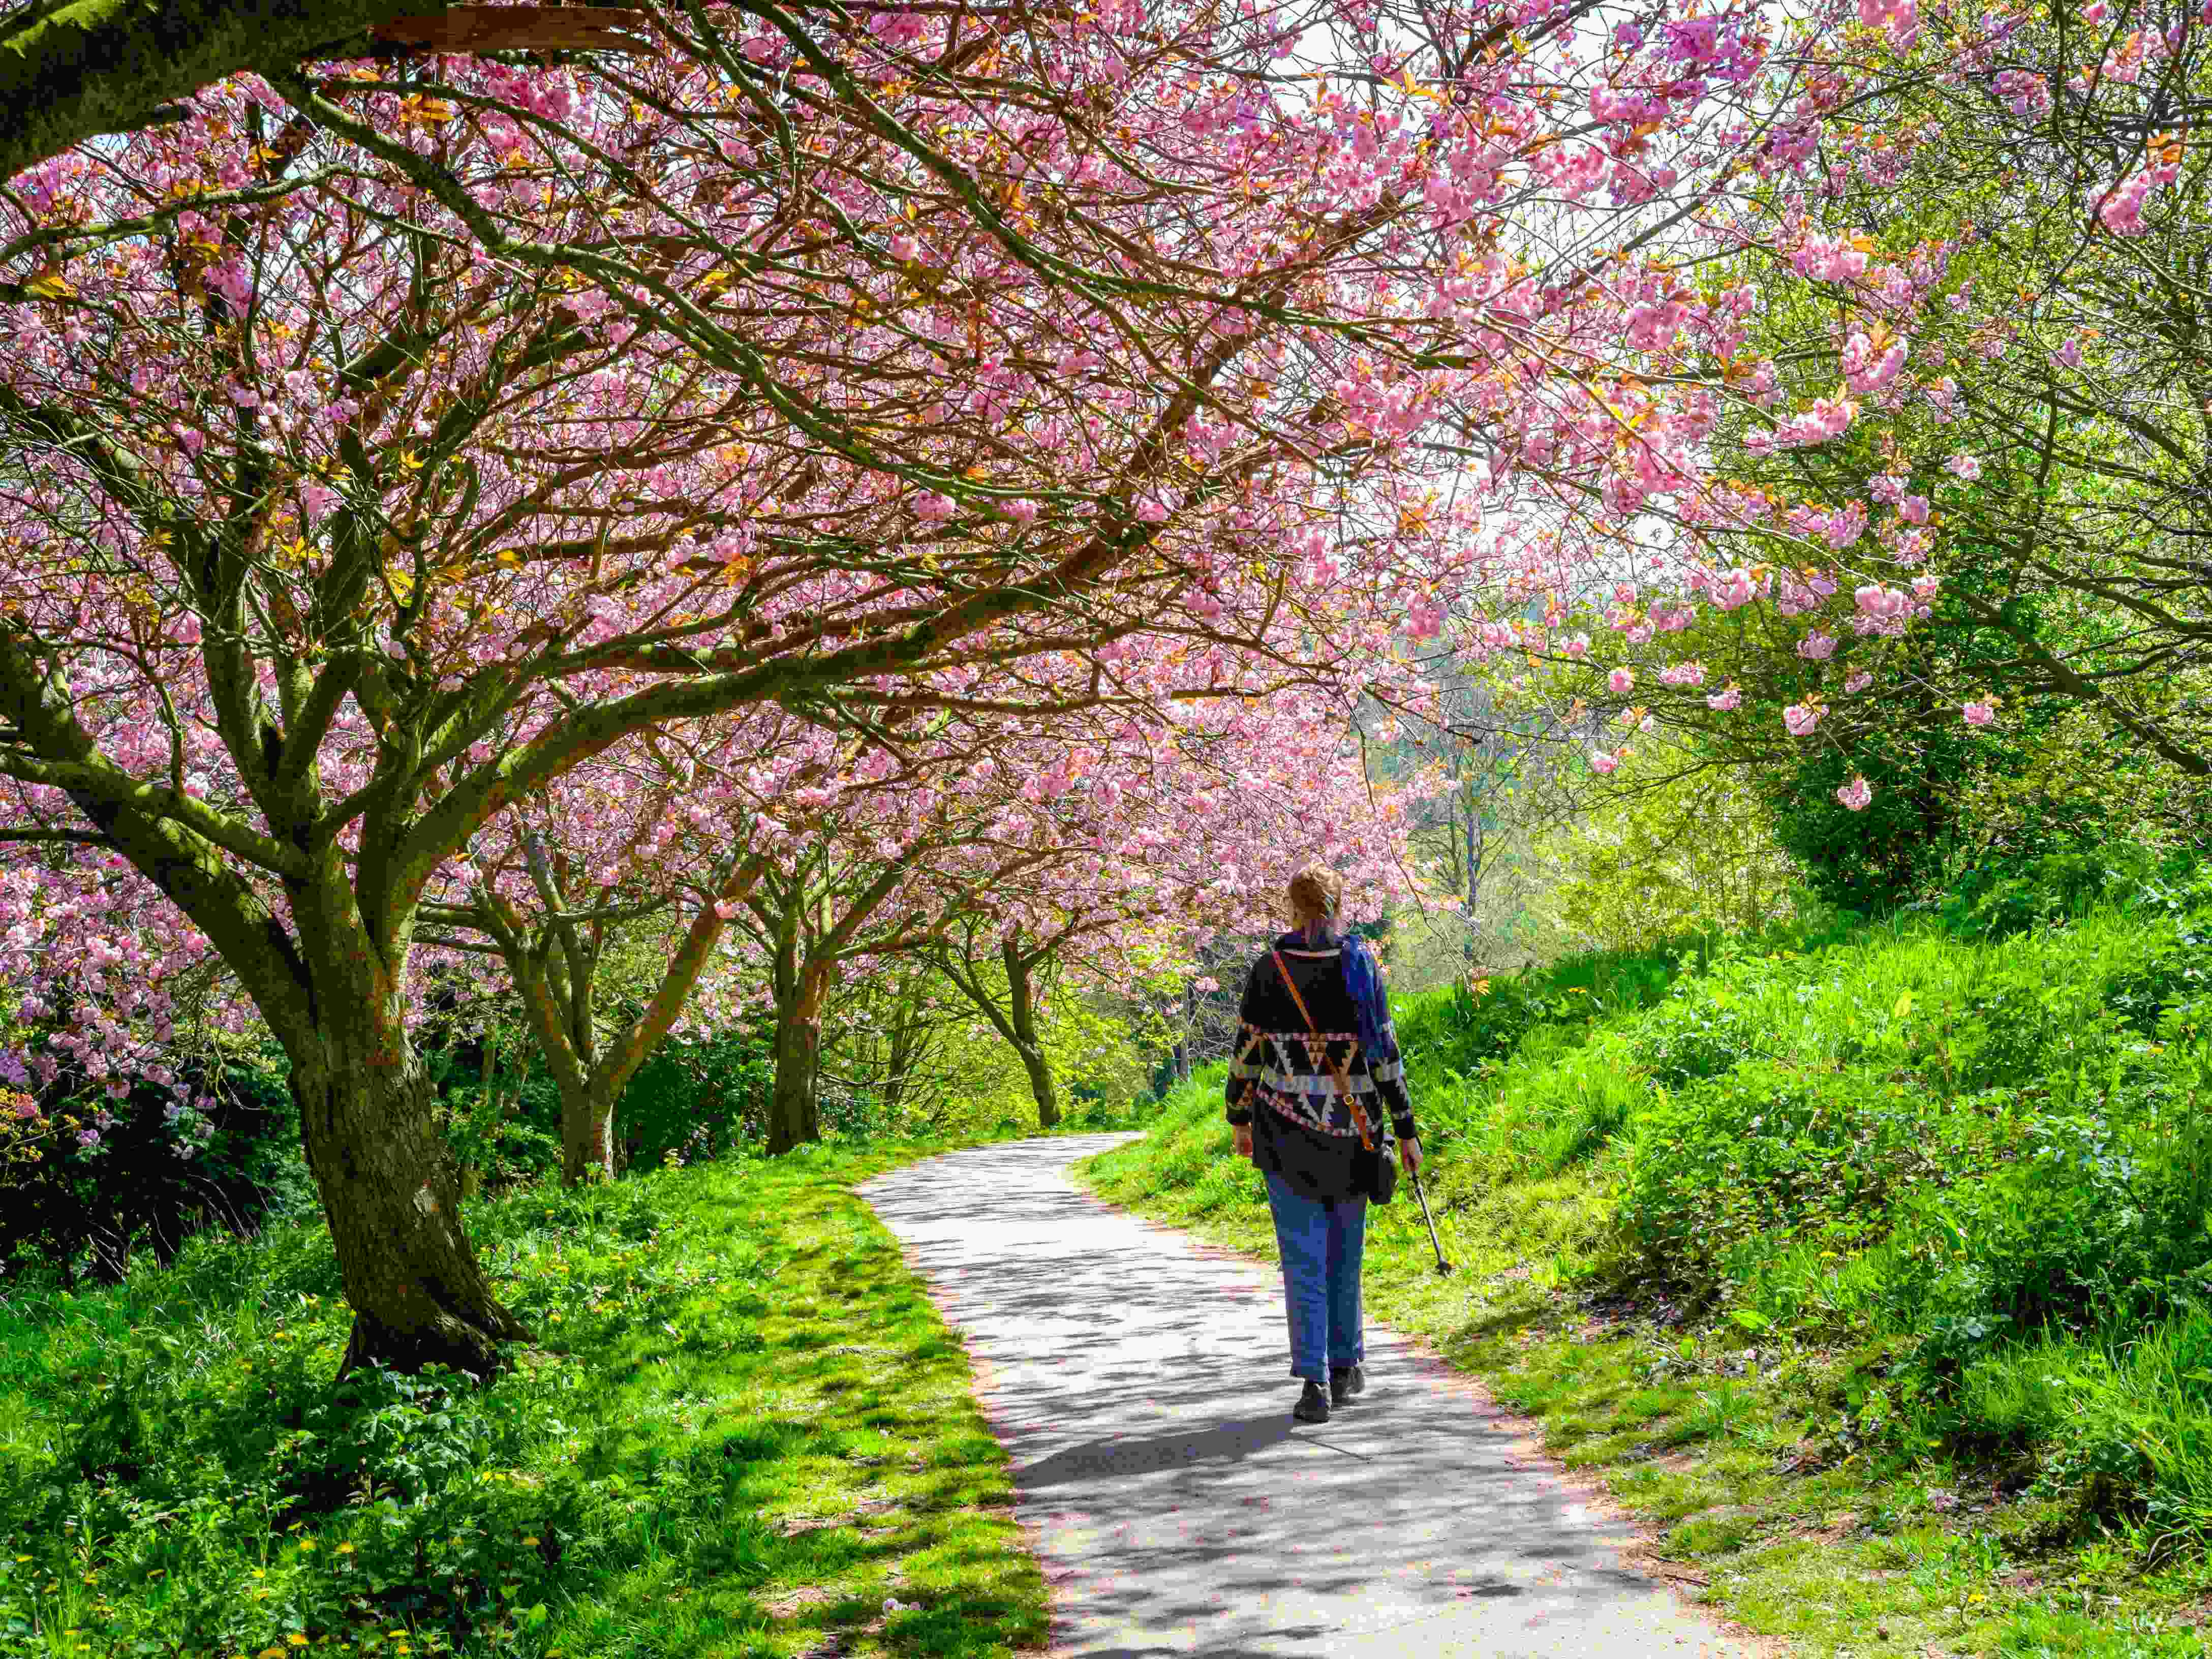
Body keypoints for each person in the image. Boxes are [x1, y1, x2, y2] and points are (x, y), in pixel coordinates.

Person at [1225, 865, 1421, 1424]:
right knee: (1344, 1255)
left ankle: (1313, 1382)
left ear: (1291, 908)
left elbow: (1247, 1053)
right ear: (1340, 905)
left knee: (1302, 1260)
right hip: (1353, 1135)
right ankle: (1346, 1365)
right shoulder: (1361, 968)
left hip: (1286, 1136)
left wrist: (1238, 1117)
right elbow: (1385, 1055)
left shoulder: (1270, 971)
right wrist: (1405, 1130)